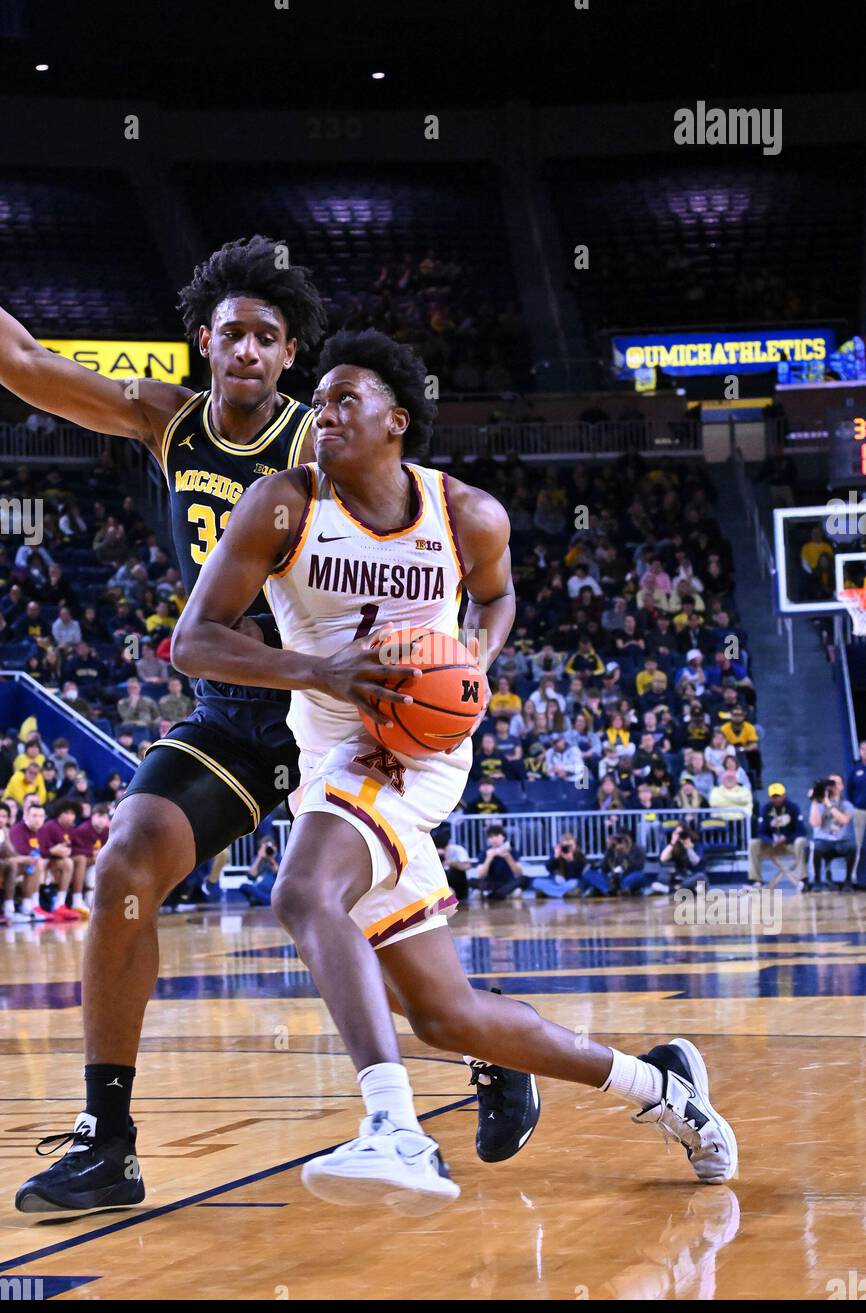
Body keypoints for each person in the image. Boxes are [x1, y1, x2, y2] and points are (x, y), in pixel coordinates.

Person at [167, 328, 736, 1207]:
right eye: (315, 401)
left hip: (417, 754)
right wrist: (319, 671)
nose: (321, 413)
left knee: (301, 893)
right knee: (447, 1016)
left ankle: (395, 1130)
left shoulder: (466, 512)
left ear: (396, 419)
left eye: (342, 399)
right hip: (330, 753)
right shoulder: (281, 505)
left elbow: (500, 593)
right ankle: (663, 1087)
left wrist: (475, 652)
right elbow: (194, 642)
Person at [6, 235, 337, 1213]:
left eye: (266, 338)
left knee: (391, 947)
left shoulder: (320, 446)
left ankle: (497, 1065)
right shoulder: (168, 422)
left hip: (331, 710)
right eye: (230, 332)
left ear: (288, 358)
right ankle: (107, 1140)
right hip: (236, 711)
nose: (245, 350)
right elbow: (23, 363)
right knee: (122, 865)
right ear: (202, 342)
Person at [748, 782, 808, 890]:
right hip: (772, 845)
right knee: (753, 844)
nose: (776, 799)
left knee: (801, 841)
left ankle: (802, 879)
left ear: (784, 795)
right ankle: (756, 880)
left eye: (778, 796)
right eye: (773, 796)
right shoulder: (765, 809)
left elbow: (802, 831)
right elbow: (760, 832)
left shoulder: (793, 808)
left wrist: (787, 838)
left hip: (790, 845)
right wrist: (770, 840)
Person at [809, 776, 856, 892]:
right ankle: (817, 880)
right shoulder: (819, 804)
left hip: (841, 841)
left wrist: (828, 804)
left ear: (842, 787)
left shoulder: (847, 804)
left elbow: (844, 820)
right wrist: (815, 801)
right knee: (817, 848)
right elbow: (815, 823)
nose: (833, 786)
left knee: (851, 847)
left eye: (836, 783)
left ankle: (848, 880)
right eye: (831, 783)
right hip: (823, 841)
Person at [654, 824, 708, 893]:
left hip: (694, 876)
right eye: (677, 833)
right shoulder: (675, 846)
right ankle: (688, 889)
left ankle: (673, 889)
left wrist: (689, 848)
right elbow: (662, 859)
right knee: (661, 876)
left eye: (682, 833)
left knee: (701, 877)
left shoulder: (696, 845)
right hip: (681, 877)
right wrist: (672, 843)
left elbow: (696, 862)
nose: (680, 835)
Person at [532, 832, 586, 898]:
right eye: (565, 846)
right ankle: (563, 893)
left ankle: (550, 893)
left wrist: (571, 861)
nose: (568, 848)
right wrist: (555, 857)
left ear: (575, 844)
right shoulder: (557, 852)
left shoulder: (580, 855)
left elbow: (577, 875)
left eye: (570, 846)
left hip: (570, 883)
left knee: (574, 883)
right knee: (536, 882)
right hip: (555, 883)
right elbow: (548, 868)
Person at [238, 835, 281, 906]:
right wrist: (259, 857)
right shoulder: (257, 859)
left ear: (275, 847)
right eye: (265, 848)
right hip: (259, 889)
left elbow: (279, 874)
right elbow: (251, 876)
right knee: (243, 886)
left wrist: (271, 859)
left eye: (270, 847)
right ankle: (265, 900)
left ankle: (262, 900)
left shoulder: (280, 858)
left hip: (272, 890)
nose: (268, 850)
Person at [845, 739, 866, 877]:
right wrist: (853, 808)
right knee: (858, 844)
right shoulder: (856, 770)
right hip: (860, 811)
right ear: (860, 751)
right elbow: (849, 790)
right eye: (864, 749)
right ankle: (856, 877)